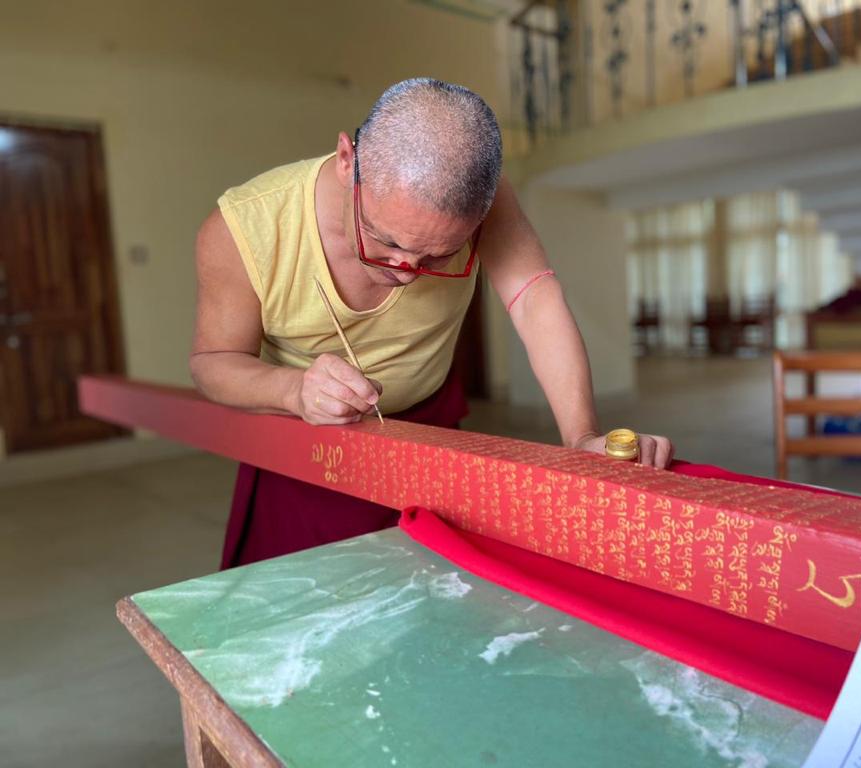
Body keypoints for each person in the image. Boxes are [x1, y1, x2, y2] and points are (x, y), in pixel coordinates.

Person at [189, 78, 674, 568]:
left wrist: (581, 438)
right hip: (306, 443)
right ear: (346, 161)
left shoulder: (479, 196)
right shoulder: (245, 228)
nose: (405, 270)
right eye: (386, 241)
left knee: (441, 597)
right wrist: (294, 391)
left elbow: (534, 300)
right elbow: (213, 363)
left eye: (437, 255)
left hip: (430, 430)